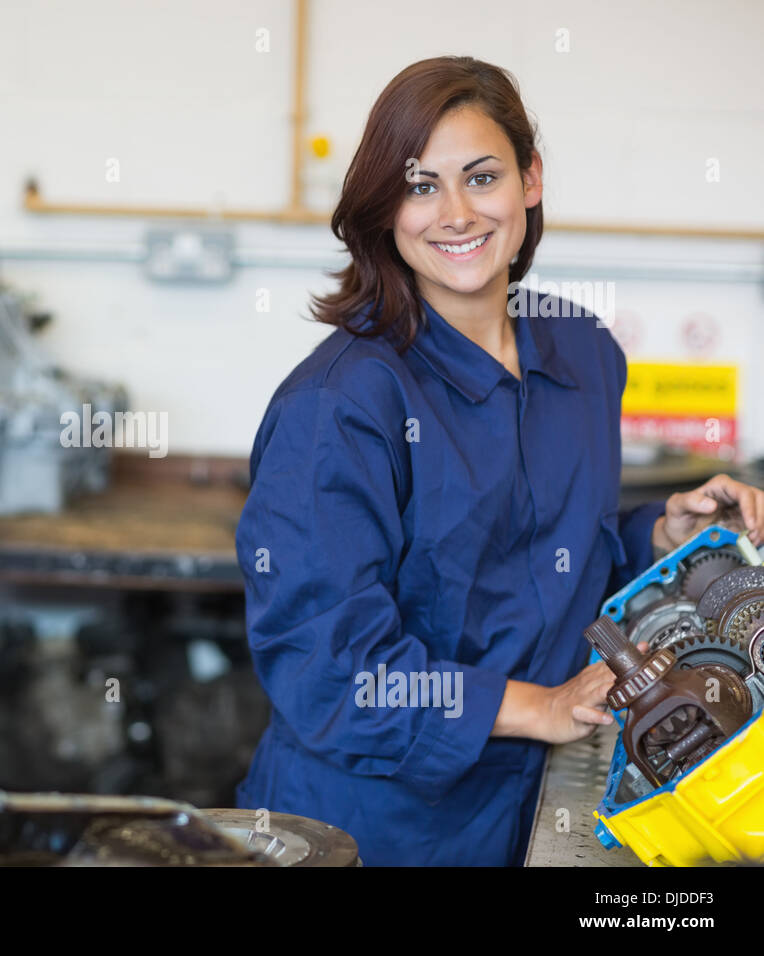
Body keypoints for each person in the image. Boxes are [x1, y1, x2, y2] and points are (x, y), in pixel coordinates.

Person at [234, 56, 764, 866]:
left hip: (536, 803)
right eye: (420, 186)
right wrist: (538, 706)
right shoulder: (339, 406)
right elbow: (331, 671)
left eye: (481, 177)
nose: (454, 213)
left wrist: (659, 534)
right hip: (372, 826)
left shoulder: (581, 351)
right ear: (385, 206)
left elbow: (543, 560)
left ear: (530, 180)